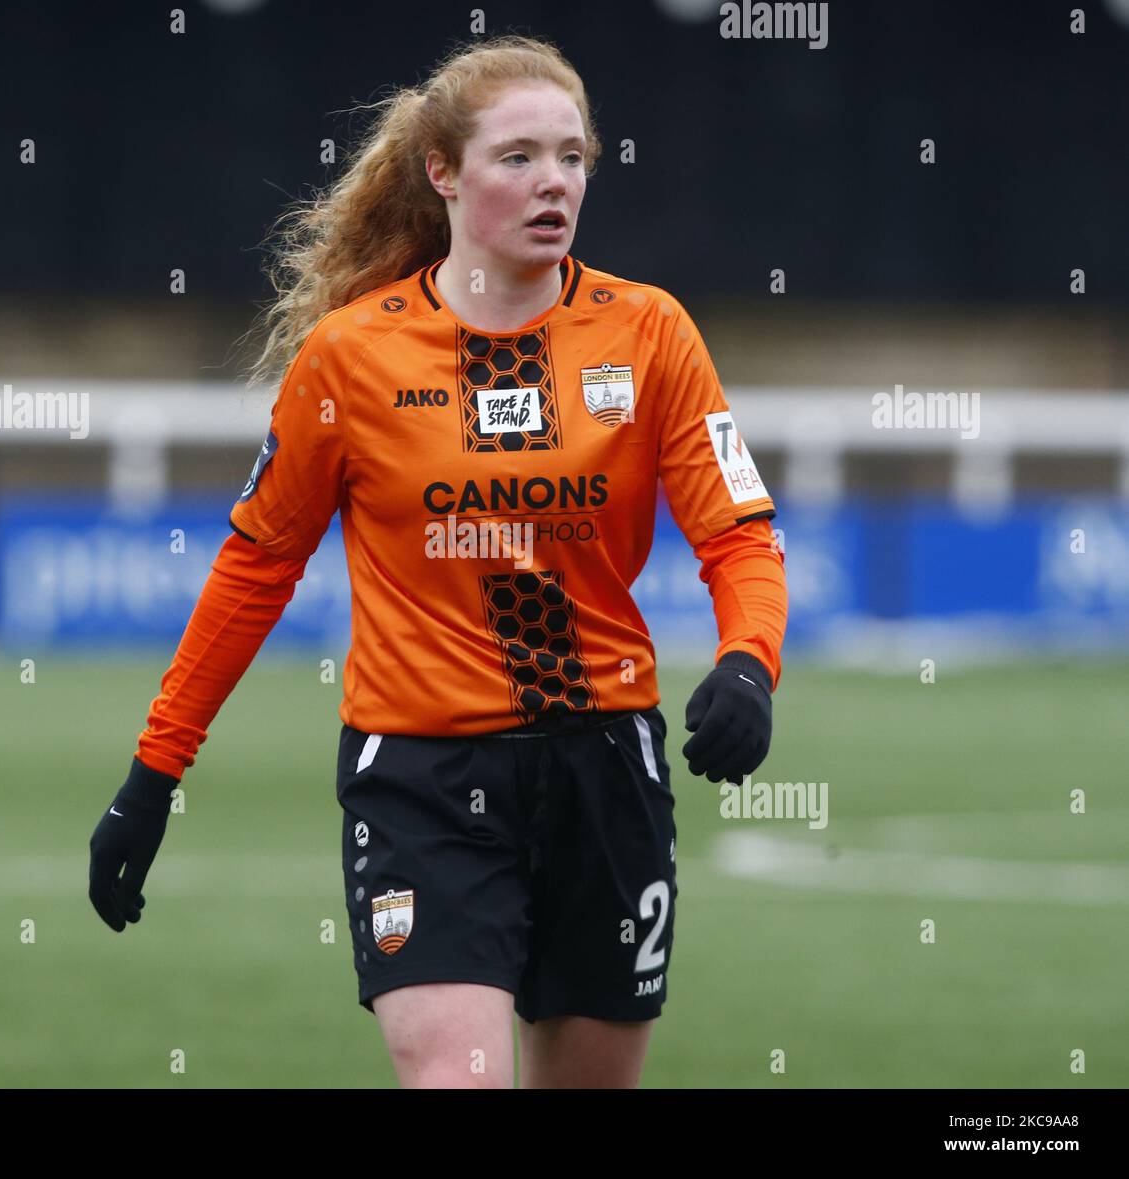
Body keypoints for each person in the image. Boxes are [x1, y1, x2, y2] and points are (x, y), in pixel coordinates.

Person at [89, 33, 787, 1089]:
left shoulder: (649, 334)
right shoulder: (352, 355)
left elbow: (736, 533)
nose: (552, 182)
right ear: (443, 172)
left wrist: (748, 662)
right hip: (422, 781)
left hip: (604, 770)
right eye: (516, 157)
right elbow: (255, 567)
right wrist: (153, 776)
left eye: (571, 156)